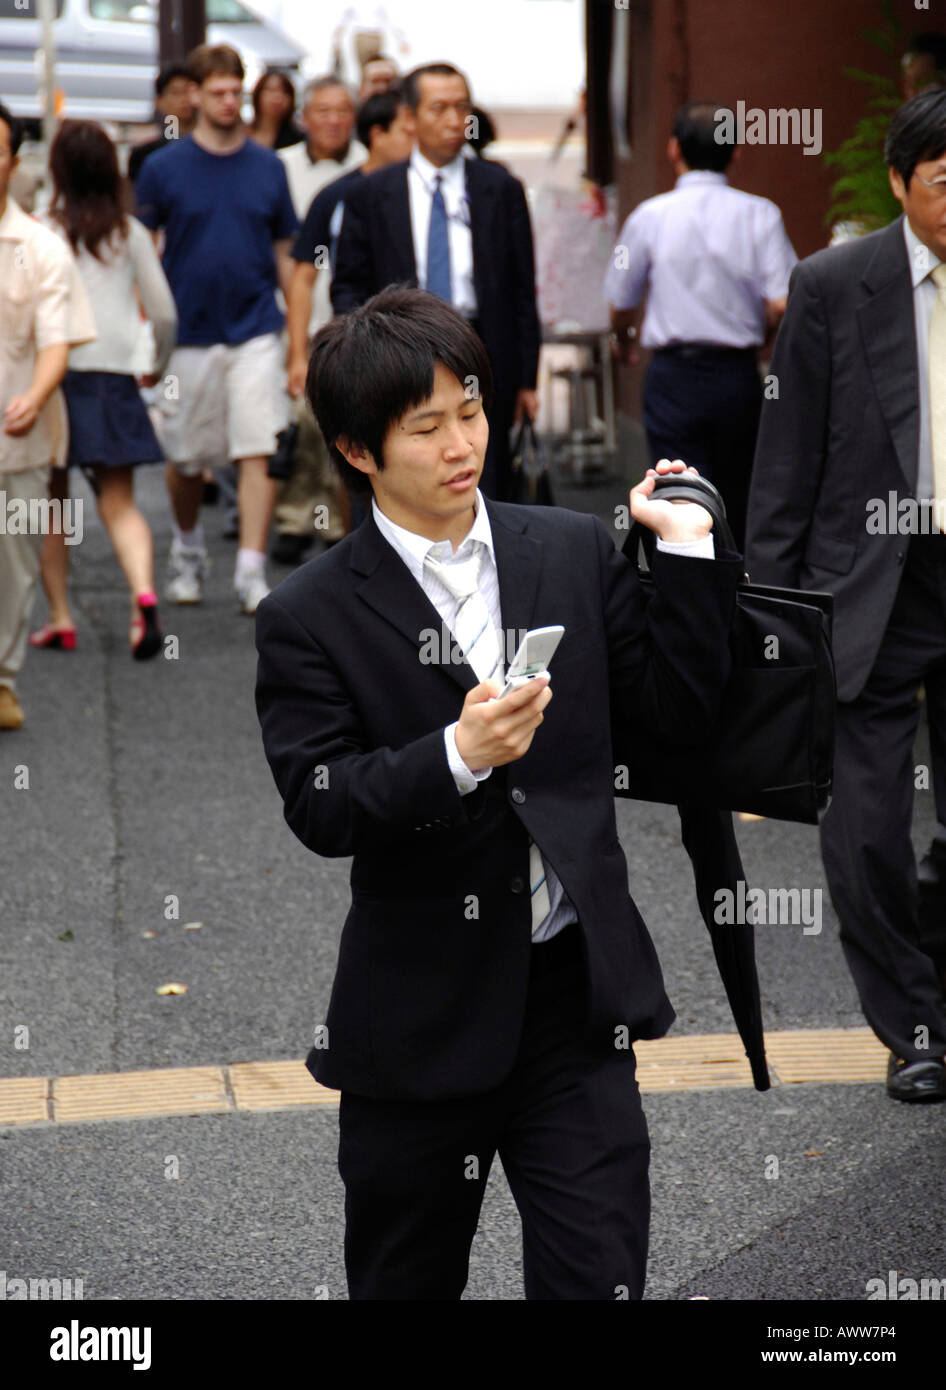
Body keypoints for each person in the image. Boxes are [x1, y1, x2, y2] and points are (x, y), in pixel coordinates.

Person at [255, 286, 744, 1301]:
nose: (458, 443)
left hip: (574, 999)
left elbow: (674, 720)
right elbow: (321, 801)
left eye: (469, 412)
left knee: (597, 1276)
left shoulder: (563, 547)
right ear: (356, 451)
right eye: (424, 426)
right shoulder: (308, 613)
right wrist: (455, 754)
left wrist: (685, 548)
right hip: (420, 1023)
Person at [745, 89, 946, 1102]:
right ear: (901, 184)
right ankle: (915, 1029)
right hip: (869, 583)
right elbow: (784, 462)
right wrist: (772, 621)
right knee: (865, 826)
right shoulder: (834, 284)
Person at [134, 43, 298, 615]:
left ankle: (251, 570)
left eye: (237, 91)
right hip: (187, 336)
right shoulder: (163, 167)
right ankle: (187, 550)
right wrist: (143, 335)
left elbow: (286, 256)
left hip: (256, 329)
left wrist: (297, 344)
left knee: (257, 448)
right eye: (219, 91)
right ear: (196, 95)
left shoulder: (268, 166)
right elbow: (142, 253)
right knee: (186, 459)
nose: (230, 101)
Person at [331, 62, 541, 503]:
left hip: (481, 347)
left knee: (484, 474)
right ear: (408, 117)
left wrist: (527, 379)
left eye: (462, 107)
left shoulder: (500, 187)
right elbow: (347, 287)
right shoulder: (371, 194)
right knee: (408, 469)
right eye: (439, 108)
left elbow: (522, 288)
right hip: (398, 349)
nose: (454, 120)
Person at [604, 101, 797, 549]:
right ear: (736, 153)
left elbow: (620, 299)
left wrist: (623, 340)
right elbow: (782, 301)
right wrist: (764, 334)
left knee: (677, 495)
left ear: (674, 150)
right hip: (737, 375)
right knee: (738, 491)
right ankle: (741, 598)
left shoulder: (650, 215)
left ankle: (685, 593)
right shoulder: (760, 213)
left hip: (672, 375)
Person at [31, 121, 176, 661]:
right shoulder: (129, 232)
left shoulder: (41, 230)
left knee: (53, 506)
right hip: (114, 377)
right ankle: (143, 597)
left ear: (57, 170)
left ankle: (61, 619)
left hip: (53, 374)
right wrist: (154, 365)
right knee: (118, 501)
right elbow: (162, 312)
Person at [280, 89, 414, 563]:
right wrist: (301, 352)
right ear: (377, 135)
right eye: (407, 130)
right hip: (353, 343)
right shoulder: (341, 195)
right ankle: (354, 551)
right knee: (356, 450)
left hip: (418, 347)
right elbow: (303, 275)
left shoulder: (426, 191)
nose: (416, 139)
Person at [0, 102, 95, 730]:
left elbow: (57, 340)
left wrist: (36, 394)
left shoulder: (42, 247)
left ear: (13, 160)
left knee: (14, 566)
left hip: (19, 439)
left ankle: (2, 678)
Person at [271, 75, 366, 563]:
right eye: (322, 110)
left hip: (357, 322)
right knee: (303, 429)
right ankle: (293, 521)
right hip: (299, 313)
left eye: (342, 110)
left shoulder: (370, 164)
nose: (332, 120)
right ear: (304, 116)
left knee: (344, 433)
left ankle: (335, 531)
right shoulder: (280, 166)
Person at [128, 63, 196, 185]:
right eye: (175, 93)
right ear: (159, 101)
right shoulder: (145, 156)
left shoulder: (210, 148)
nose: (184, 99)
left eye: (187, 91)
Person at [250, 70, 304, 150]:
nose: (277, 98)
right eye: (271, 90)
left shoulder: (299, 141)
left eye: (284, 92)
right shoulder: (242, 135)